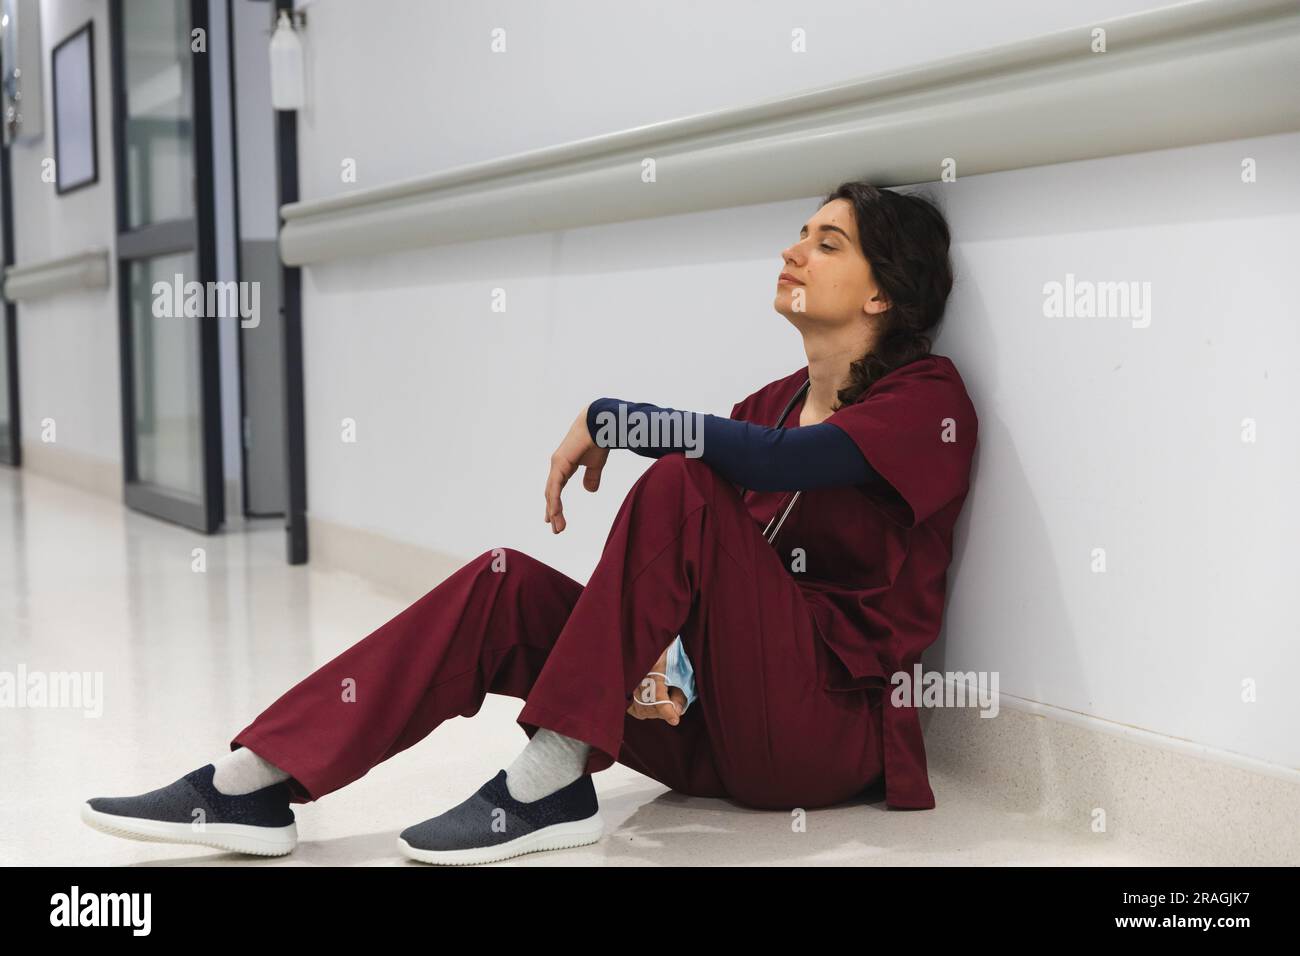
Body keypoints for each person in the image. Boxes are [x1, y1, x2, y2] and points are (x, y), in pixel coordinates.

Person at [80, 181, 978, 866]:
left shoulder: (927, 403)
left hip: (824, 737)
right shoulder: (774, 400)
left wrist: (616, 416)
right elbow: (711, 573)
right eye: (800, 233)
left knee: (681, 481)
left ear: (881, 296)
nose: (795, 250)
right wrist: (662, 667)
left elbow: (784, 471)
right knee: (503, 582)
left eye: (828, 242)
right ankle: (256, 781)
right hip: (715, 725)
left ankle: (552, 782)